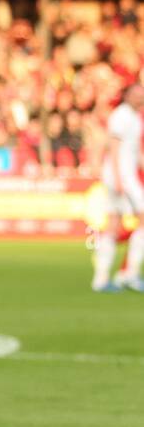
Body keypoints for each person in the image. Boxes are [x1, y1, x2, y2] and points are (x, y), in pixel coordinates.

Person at [92, 84, 144, 293]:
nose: (140, 98)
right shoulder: (121, 116)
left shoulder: (133, 117)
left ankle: (102, 278)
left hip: (123, 175)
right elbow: (113, 148)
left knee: (113, 224)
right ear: (128, 96)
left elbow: (133, 152)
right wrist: (118, 178)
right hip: (121, 177)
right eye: (137, 95)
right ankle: (128, 274)